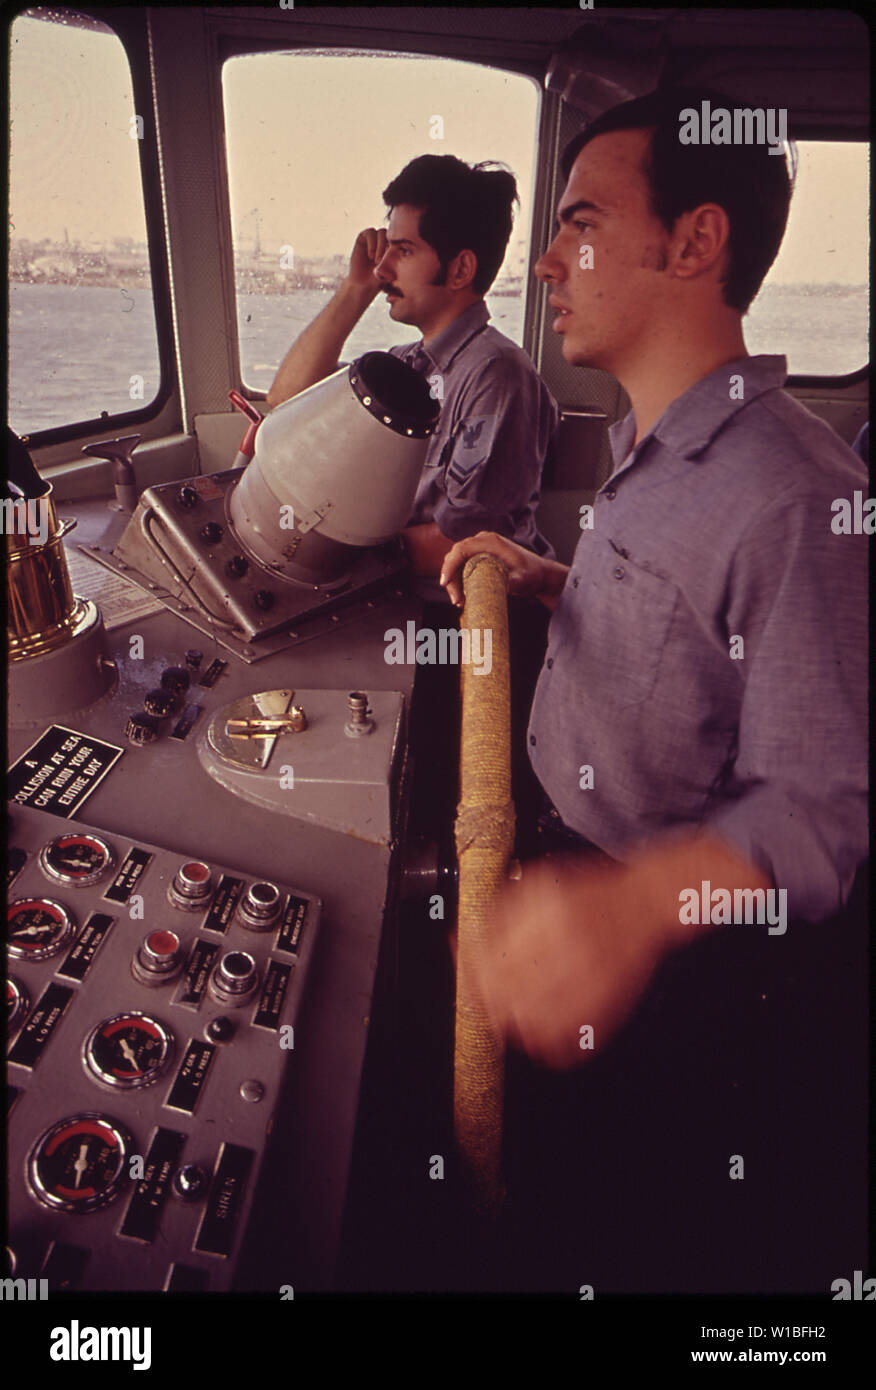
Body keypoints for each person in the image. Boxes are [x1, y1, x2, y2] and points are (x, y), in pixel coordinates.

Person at [440, 88, 868, 1293]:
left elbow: (819, 813)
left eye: (579, 221)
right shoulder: (662, 440)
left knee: (613, 1224)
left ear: (694, 243)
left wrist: (625, 913)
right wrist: (548, 581)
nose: (544, 259)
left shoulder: (801, 500)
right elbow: (693, 632)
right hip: (566, 872)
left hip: (667, 958)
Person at [267, 154, 558, 583]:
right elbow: (285, 403)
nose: (383, 269)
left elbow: (461, 543)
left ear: (460, 269)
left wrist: (325, 555)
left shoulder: (497, 375)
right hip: (397, 594)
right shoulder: (405, 363)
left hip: (461, 621)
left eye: (402, 251)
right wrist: (355, 289)